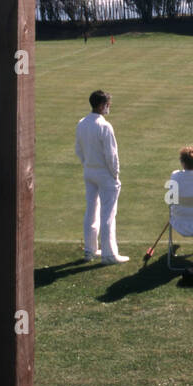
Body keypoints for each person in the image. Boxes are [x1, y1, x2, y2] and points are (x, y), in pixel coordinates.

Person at [74, 90, 129, 264]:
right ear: (101, 105)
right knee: (108, 213)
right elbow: (111, 156)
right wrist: (115, 174)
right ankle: (109, 254)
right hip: (104, 173)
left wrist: (87, 164)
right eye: (107, 105)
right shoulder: (105, 126)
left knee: (91, 210)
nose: (108, 108)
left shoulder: (82, 123)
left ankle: (90, 250)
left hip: (89, 171)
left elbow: (78, 149)